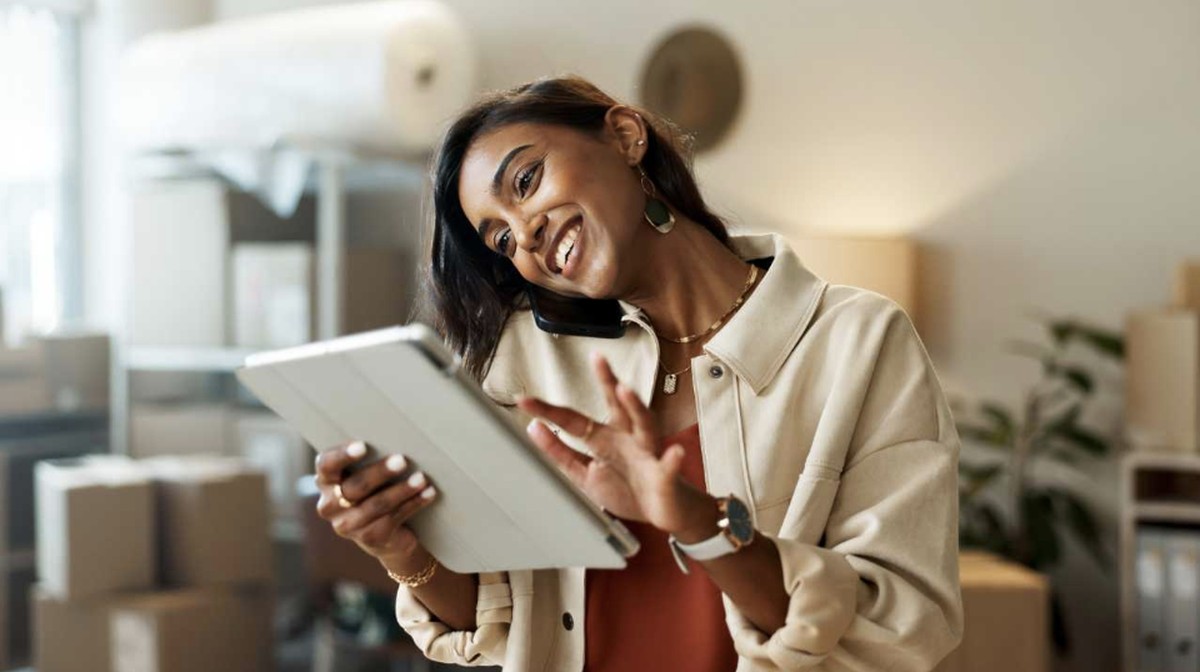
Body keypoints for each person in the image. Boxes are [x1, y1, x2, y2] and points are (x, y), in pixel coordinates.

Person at [313, 75, 963, 671]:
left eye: (527, 181)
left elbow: (902, 628)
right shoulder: (526, 359)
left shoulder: (857, 342)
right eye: (502, 241)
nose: (526, 235)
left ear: (625, 136)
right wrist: (399, 547)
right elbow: (502, 622)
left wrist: (697, 521)